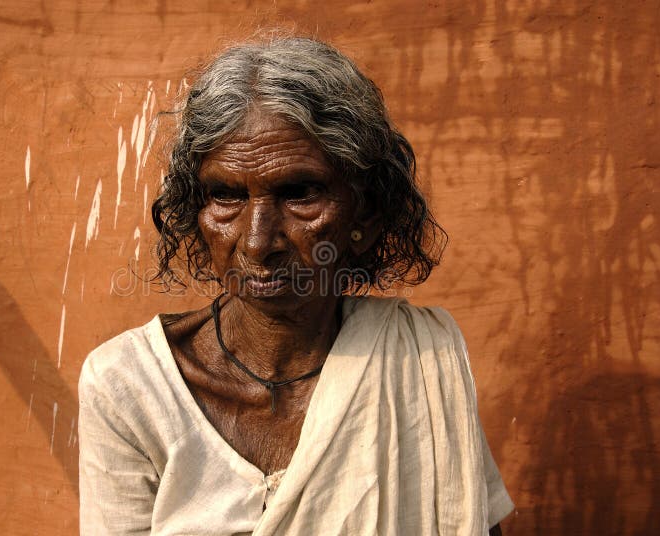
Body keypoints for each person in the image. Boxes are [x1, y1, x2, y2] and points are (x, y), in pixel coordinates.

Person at [78, 36, 513, 535]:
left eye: (300, 193)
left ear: (366, 214)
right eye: (225, 196)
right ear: (195, 213)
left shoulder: (420, 363)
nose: (259, 242)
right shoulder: (129, 388)